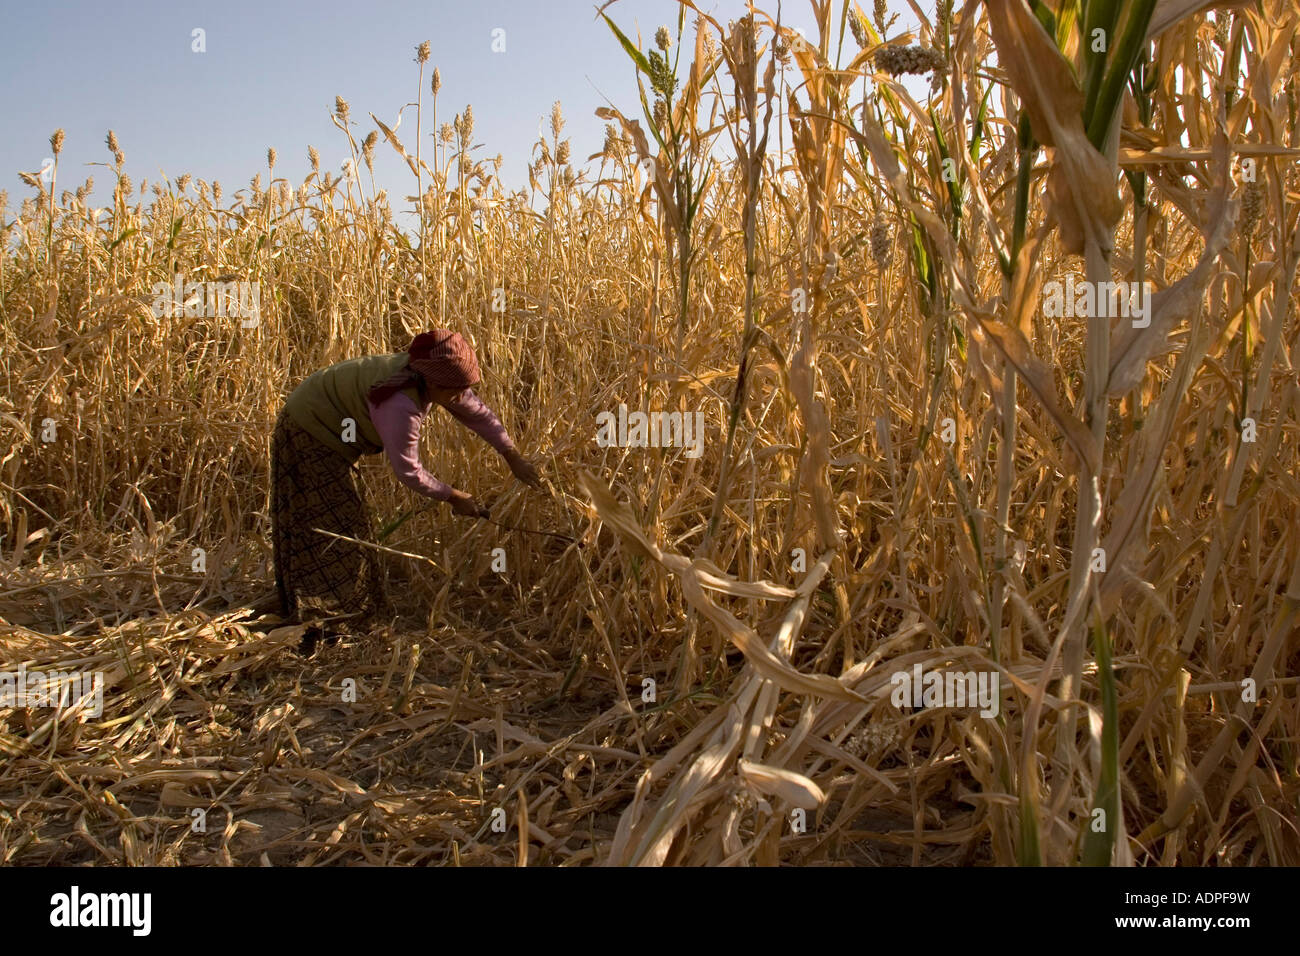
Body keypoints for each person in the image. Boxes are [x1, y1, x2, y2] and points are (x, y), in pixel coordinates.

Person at [270, 328, 539, 623]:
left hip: (320, 422)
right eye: (455, 390)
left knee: (337, 521)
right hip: (309, 428)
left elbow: (478, 413)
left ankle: (326, 607)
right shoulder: (399, 404)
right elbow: (408, 470)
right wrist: (453, 496)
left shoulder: (432, 377)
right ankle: (328, 617)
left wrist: (512, 455)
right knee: (336, 526)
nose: (461, 396)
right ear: (432, 382)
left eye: (464, 388)